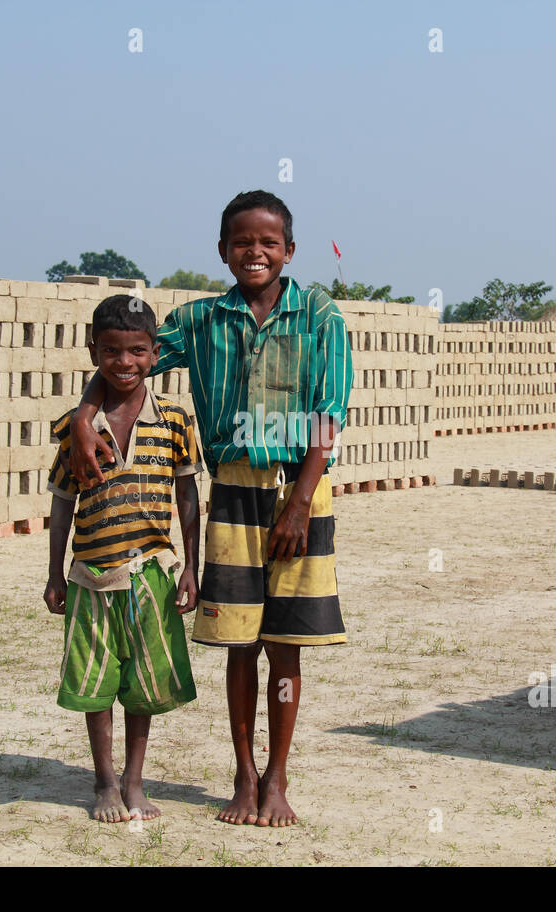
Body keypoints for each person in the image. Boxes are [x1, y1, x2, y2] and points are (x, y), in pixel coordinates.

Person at [66, 190, 353, 827]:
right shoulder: (200, 320)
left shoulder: (320, 316)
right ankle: (243, 777)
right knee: (237, 643)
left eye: (268, 243)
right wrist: (86, 416)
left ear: (289, 251)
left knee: (286, 646)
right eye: (242, 243)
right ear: (222, 251)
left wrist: (300, 501)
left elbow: (328, 416)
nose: (255, 253)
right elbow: (128, 361)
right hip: (232, 489)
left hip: (298, 489)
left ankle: (277, 778)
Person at [43, 294, 202, 823]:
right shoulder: (74, 427)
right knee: (95, 683)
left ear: (155, 354)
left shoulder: (176, 421)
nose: (123, 363)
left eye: (136, 351)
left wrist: (192, 569)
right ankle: (104, 782)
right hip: (90, 576)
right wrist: (53, 573)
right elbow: (63, 501)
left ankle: (135, 781)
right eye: (111, 351)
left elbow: (187, 498)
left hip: (152, 574)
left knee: (143, 683)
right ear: (93, 352)